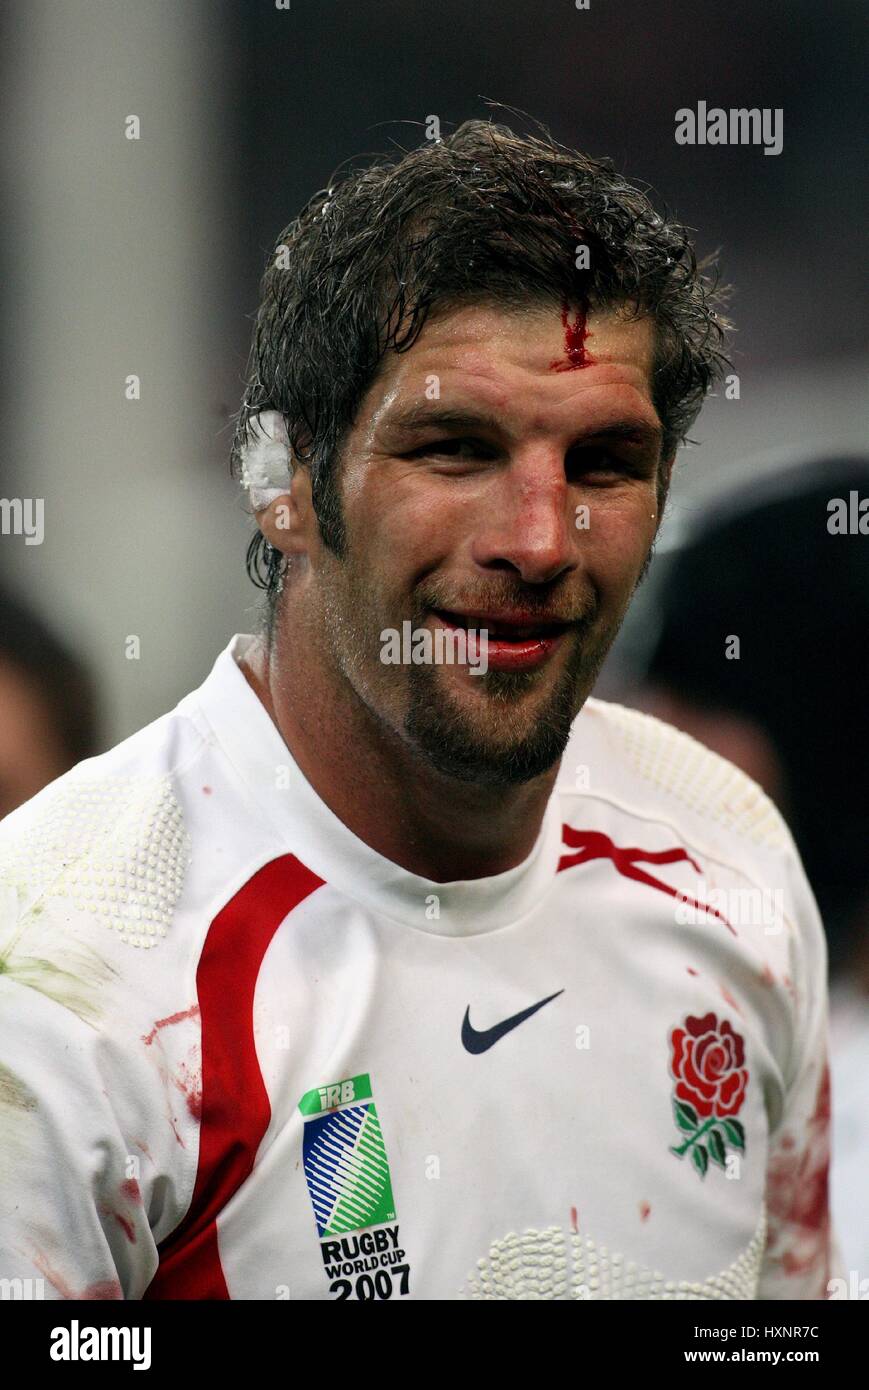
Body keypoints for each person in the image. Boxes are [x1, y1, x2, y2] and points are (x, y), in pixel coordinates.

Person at [0, 120, 843, 1301]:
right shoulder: (54, 969)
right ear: (282, 487)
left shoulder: (727, 857)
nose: (540, 541)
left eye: (602, 464)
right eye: (454, 449)